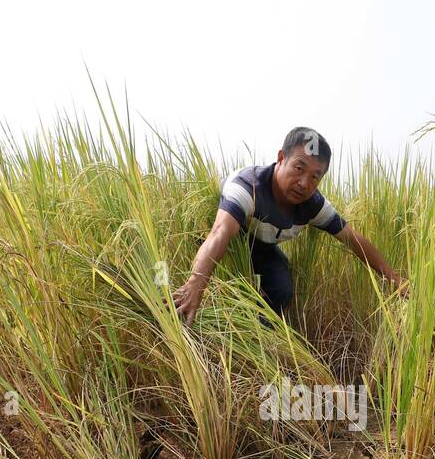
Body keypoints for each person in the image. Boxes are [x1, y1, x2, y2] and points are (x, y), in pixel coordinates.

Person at [172, 126, 406, 325]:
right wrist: (195, 285)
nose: (304, 183)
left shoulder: (313, 205)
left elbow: (352, 239)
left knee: (281, 288)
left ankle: (260, 335)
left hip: (262, 245)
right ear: (281, 158)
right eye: (299, 168)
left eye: (315, 176)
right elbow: (219, 233)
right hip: (226, 235)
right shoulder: (247, 187)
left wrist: (394, 280)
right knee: (213, 271)